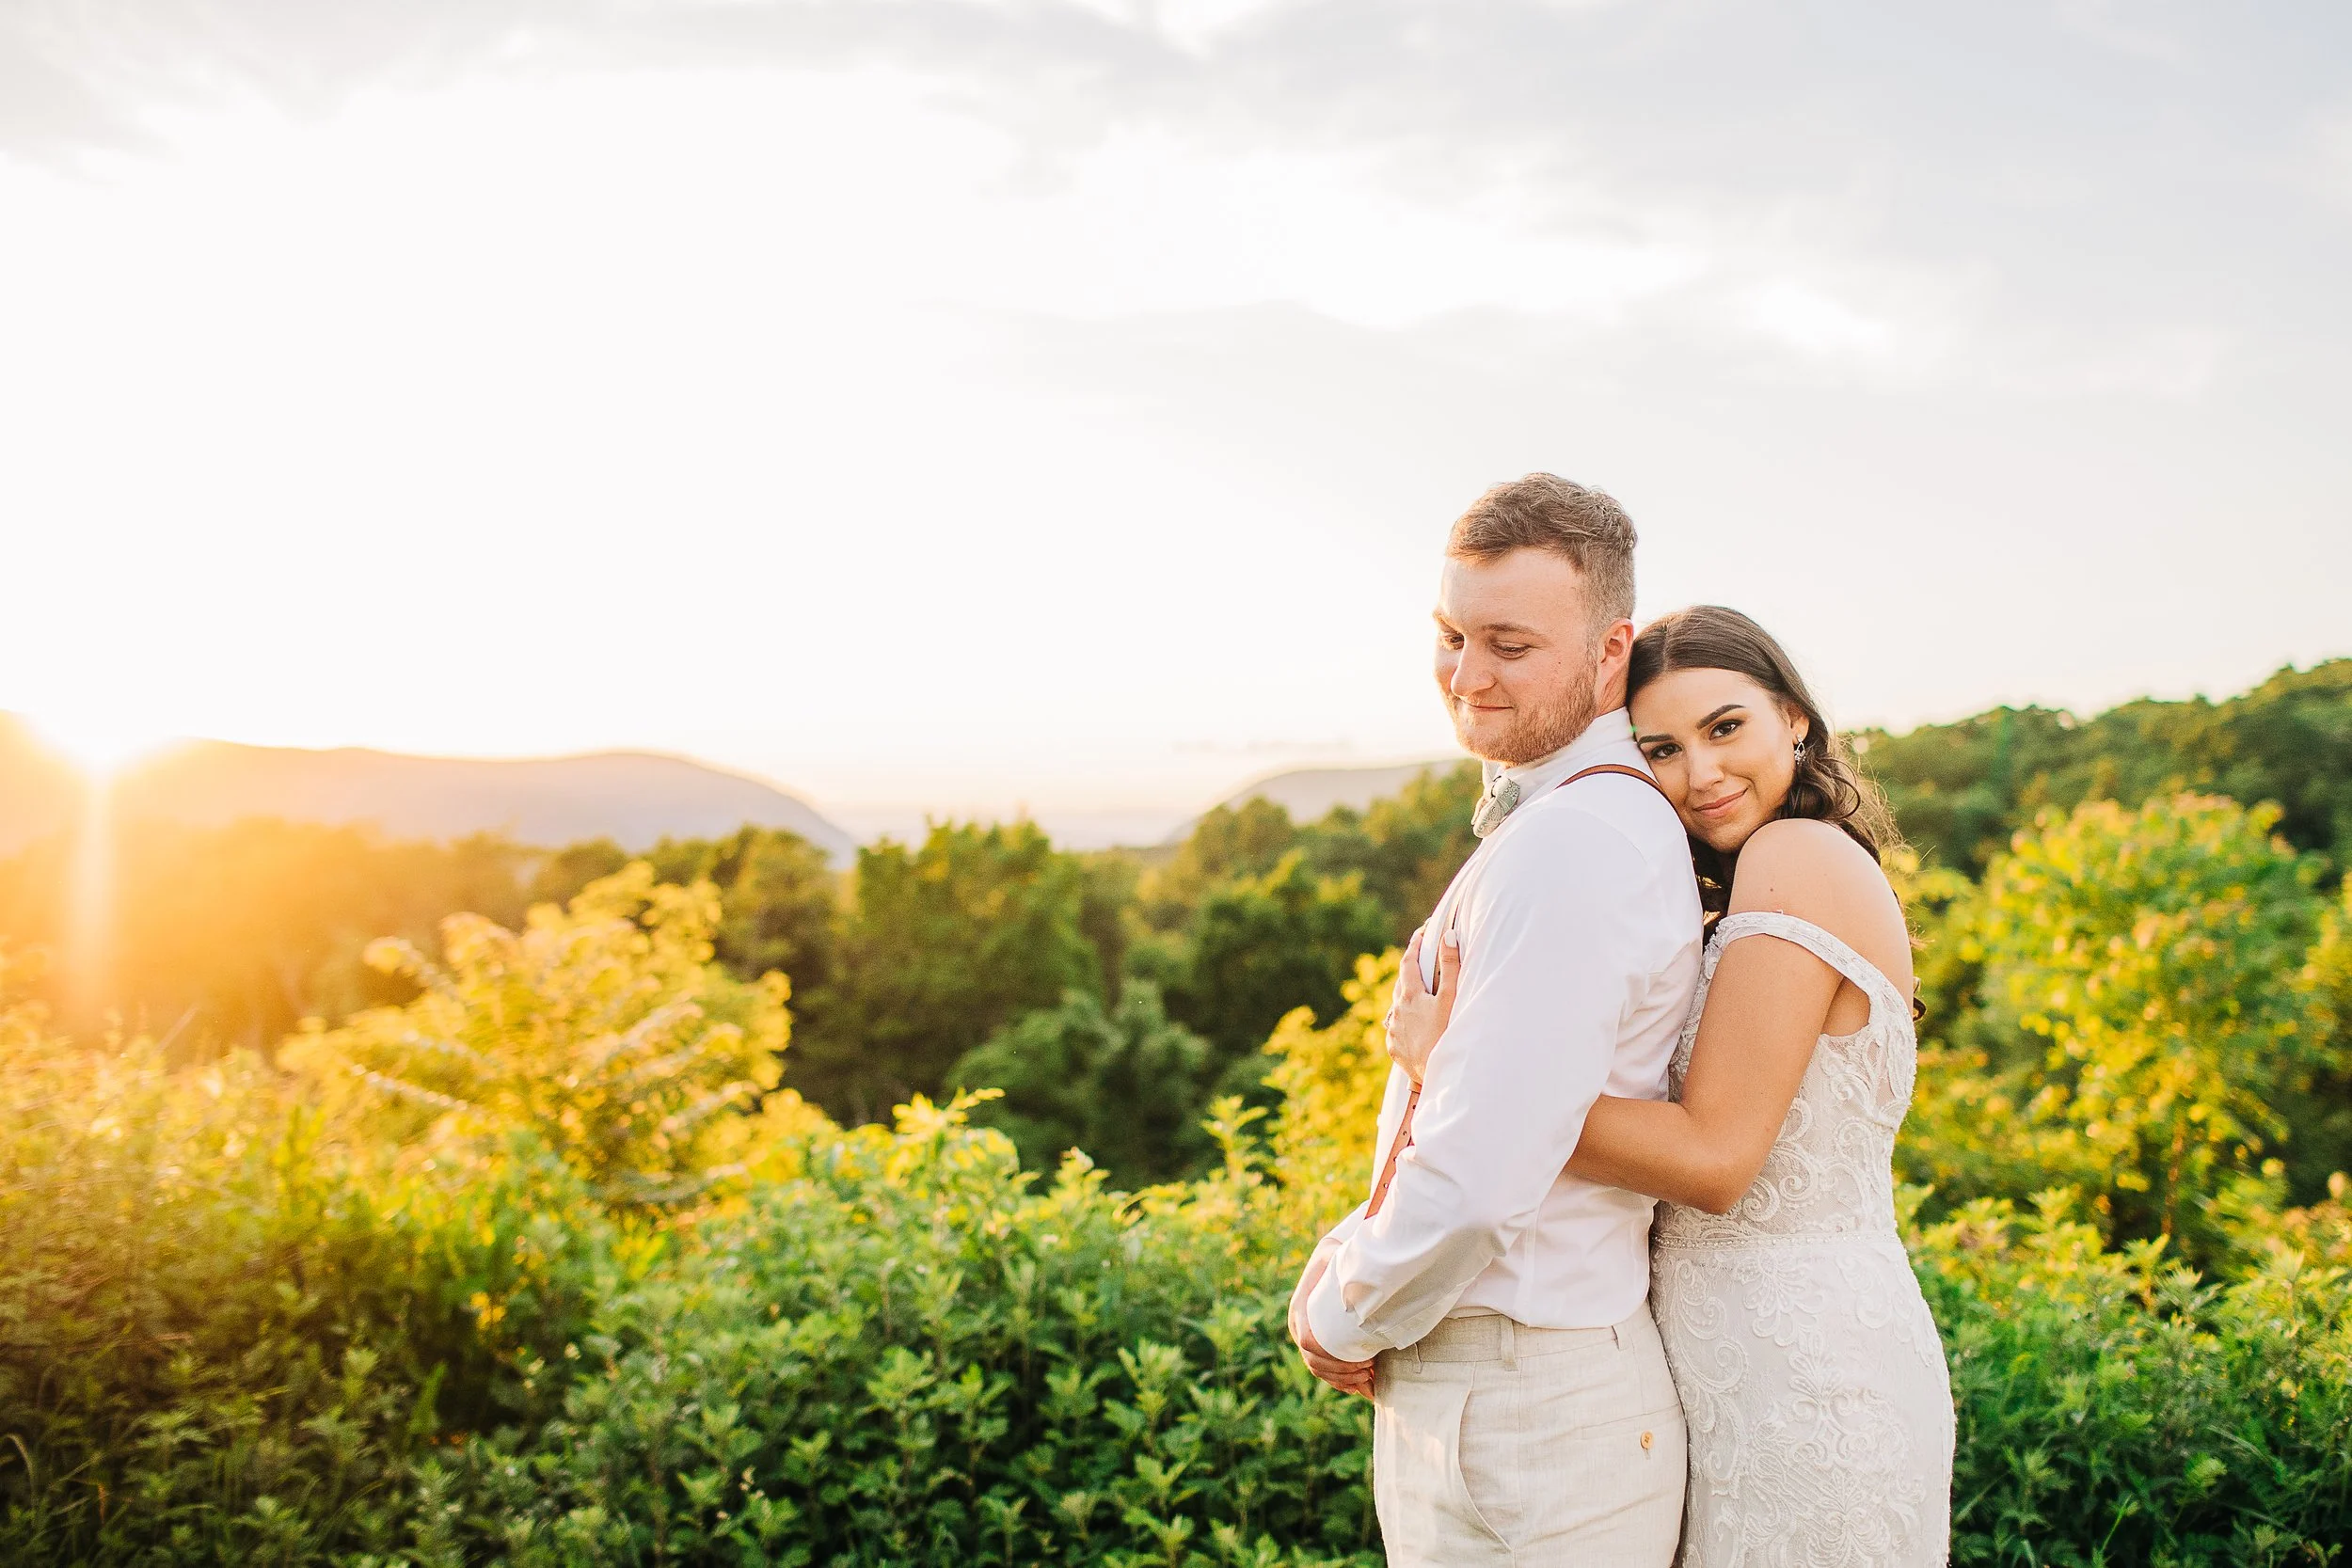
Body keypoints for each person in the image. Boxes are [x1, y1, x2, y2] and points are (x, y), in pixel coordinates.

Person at [1386, 603, 1957, 1566]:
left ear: (1796, 719)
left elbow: (1713, 1158)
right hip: (1739, 1360)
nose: (1700, 774)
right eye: (1660, 747)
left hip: (1803, 1370)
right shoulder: (1757, 881)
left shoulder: (1794, 856)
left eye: (1725, 726)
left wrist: (1461, 1070)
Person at [1286, 474, 1701, 1565]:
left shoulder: (1575, 845)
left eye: (1509, 645)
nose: (1466, 677)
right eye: (1449, 635)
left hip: (1529, 1405)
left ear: (1610, 653)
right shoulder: (1562, 825)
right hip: (1505, 1394)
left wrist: (1343, 1305)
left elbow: (1478, 1174)